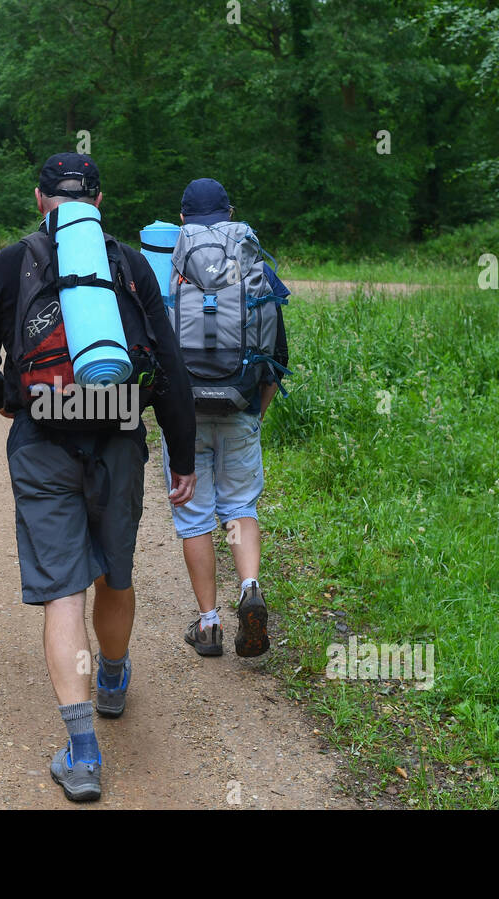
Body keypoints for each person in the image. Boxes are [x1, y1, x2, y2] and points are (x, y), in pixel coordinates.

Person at [0, 152, 197, 802]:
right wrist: (183, 455)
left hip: (42, 435)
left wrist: (3, 398)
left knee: (64, 589)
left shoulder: (11, 263)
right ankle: (115, 680)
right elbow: (169, 365)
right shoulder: (126, 265)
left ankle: (83, 751)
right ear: (99, 202)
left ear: (40, 198)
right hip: (119, 433)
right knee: (112, 571)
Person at [163, 178, 290, 659]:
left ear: (182, 218)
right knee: (239, 508)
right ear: (231, 213)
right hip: (240, 407)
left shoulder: (169, 269)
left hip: (186, 417)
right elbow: (276, 356)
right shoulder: (256, 268)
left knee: (194, 516)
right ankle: (250, 589)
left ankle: (210, 624)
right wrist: (255, 410)